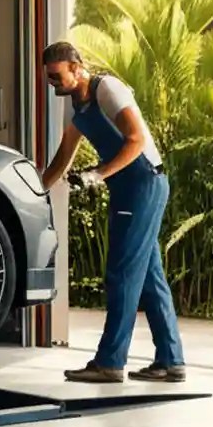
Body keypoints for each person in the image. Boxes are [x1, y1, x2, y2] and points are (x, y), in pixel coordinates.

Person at [39, 41, 185, 383]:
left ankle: (110, 362)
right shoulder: (73, 103)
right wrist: (37, 189)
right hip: (125, 189)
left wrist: (97, 174)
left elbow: (135, 139)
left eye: (57, 77)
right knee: (150, 278)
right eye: (48, 78)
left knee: (121, 274)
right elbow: (64, 155)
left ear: (76, 68)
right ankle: (171, 360)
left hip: (143, 184)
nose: (53, 84)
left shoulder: (109, 90)